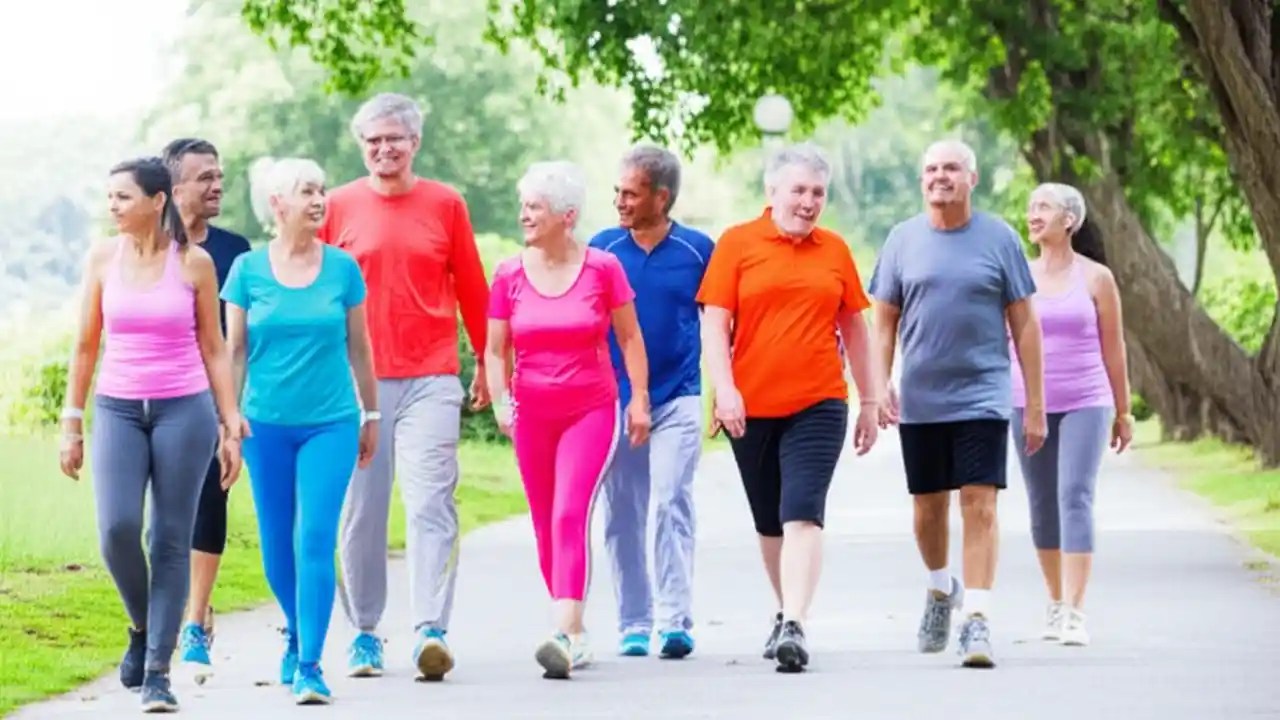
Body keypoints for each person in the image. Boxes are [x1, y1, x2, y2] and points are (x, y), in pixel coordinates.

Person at [58, 156, 243, 712]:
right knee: (116, 528)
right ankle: (142, 627)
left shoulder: (195, 264)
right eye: (109, 197)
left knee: (168, 538)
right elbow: (86, 345)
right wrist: (71, 419)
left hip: (183, 409)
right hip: (117, 406)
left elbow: (214, 346)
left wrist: (230, 422)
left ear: (156, 201)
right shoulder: (100, 258)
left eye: (122, 197)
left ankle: (158, 670)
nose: (111, 207)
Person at [320, 92, 491, 681]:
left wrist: (490, 365)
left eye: (394, 138)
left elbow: (473, 289)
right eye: (373, 140)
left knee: (430, 502)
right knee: (361, 510)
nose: (383, 149)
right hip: (354, 385)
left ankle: (429, 631)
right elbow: (316, 292)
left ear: (415, 142)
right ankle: (365, 632)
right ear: (360, 144)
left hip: (431, 376)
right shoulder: (337, 206)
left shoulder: (445, 204)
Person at [696, 142, 882, 674]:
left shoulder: (834, 250)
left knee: (802, 509)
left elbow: (855, 327)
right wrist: (725, 389)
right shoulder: (737, 243)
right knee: (770, 520)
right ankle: (783, 611)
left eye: (817, 192)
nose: (808, 201)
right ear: (772, 191)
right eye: (798, 190)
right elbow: (714, 323)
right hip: (749, 405)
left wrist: (870, 400)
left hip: (819, 401)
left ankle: (796, 623)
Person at [868, 139, 1046, 669]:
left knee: (981, 502)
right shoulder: (901, 240)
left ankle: (978, 620)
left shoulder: (1000, 238)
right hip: (922, 396)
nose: (939, 176)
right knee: (928, 508)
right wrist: (880, 386)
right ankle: (941, 590)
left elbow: (1025, 324)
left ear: (972, 178)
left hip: (984, 393)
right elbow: (882, 325)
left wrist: (1033, 402)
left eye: (950, 168)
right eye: (930, 169)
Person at [484, 160, 651, 680]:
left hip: (590, 409)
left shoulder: (603, 268)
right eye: (524, 205)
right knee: (543, 524)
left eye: (534, 207)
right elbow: (494, 350)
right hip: (532, 413)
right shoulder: (509, 274)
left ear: (566, 215)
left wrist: (639, 397)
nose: (524, 215)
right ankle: (574, 633)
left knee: (567, 514)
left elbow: (629, 337)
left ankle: (563, 631)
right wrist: (498, 402)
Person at [223, 157, 379, 704]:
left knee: (314, 537)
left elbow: (360, 347)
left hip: (331, 422)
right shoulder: (245, 270)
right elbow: (234, 351)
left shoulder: (343, 269)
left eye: (322, 190)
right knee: (275, 545)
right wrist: (228, 419)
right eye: (306, 192)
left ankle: (310, 662)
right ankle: (295, 629)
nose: (319, 200)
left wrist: (372, 414)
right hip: (263, 425)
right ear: (277, 204)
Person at [589, 144, 714, 660]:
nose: (619, 201)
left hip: (678, 397)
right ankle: (634, 621)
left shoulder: (698, 251)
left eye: (630, 193)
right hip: (614, 400)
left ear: (661, 197)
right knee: (623, 512)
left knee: (670, 500)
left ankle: (674, 618)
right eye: (617, 191)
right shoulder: (602, 248)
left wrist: (726, 389)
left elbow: (721, 323)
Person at [1011, 182, 1132, 647]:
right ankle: (1057, 602)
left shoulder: (1097, 278)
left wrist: (1124, 411)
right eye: (1031, 207)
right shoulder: (1018, 274)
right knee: (1041, 502)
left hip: (1087, 397)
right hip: (1026, 400)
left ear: (1070, 220)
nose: (1033, 213)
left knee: (1074, 496)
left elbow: (1114, 348)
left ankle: (1077, 613)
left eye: (1043, 206)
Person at [162, 137, 252, 683]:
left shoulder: (235, 249)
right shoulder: (148, 247)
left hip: (211, 396)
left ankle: (194, 619)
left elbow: (238, 339)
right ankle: (180, 608)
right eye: (205, 178)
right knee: (162, 518)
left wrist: (231, 413)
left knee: (209, 502)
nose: (218, 186)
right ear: (173, 188)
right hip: (156, 395)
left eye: (221, 176)